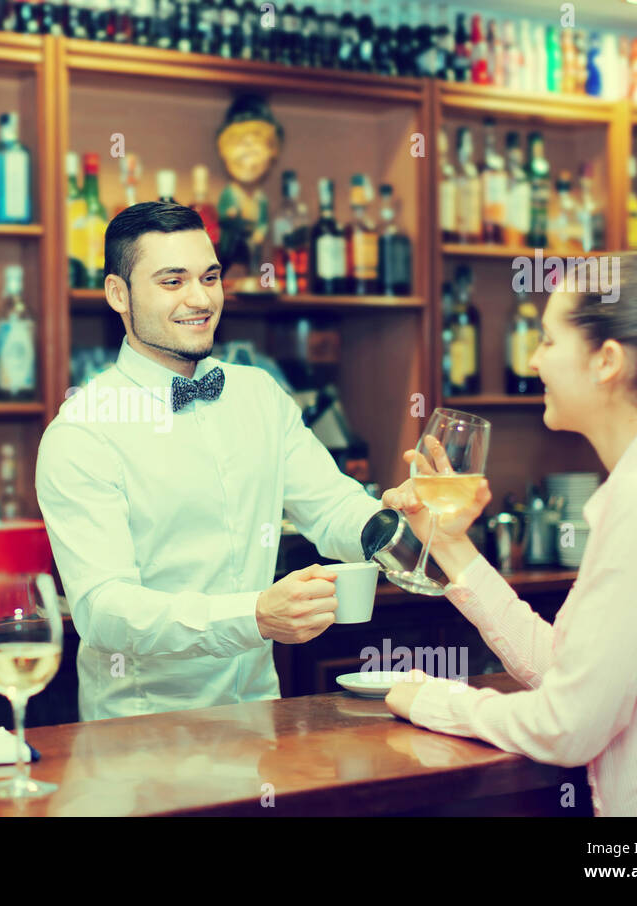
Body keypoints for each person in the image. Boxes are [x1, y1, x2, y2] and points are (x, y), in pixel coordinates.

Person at [380, 252, 637, 816]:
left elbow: (570, 726)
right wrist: (448, 543)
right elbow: (565, 671)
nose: (533, 361)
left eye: (547, 341)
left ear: (606, 361)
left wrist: (437, 701)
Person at [35, 202, 384, 721]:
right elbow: (105, 609)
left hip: (262, 721)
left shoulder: (260, 395)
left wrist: (400, 524)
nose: (201, 299)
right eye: (172, 281)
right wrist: (254, 615)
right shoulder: (83, 431)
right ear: (118, 294)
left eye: (210, 276)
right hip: (142, 739)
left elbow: (333, 509)